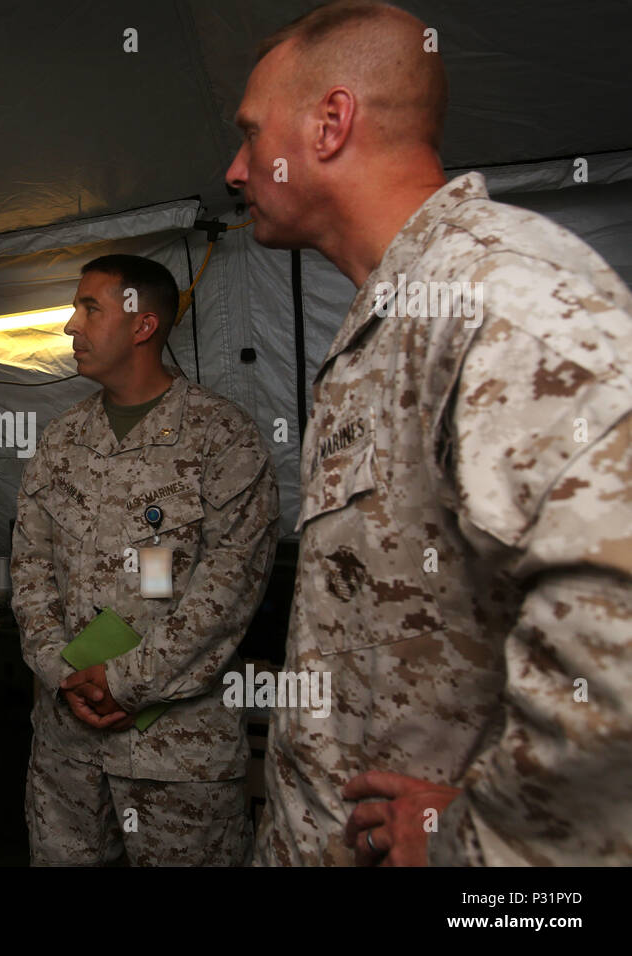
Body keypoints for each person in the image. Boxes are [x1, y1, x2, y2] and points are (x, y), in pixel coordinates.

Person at [226, 0, 632, 865]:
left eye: (252, 133)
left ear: (330, 123)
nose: (234, 168)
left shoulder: (499, 295)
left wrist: (484, 842)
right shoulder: (394, 317)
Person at [11, 254, 279, 865]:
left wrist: (125, 681)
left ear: (142, 324)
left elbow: (229, 592)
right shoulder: (60, 441)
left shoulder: (223, 439)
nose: (70, 327)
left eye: (90, 308)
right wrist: (60, 671)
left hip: (177, 755)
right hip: (67, 747)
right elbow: (29, 568)